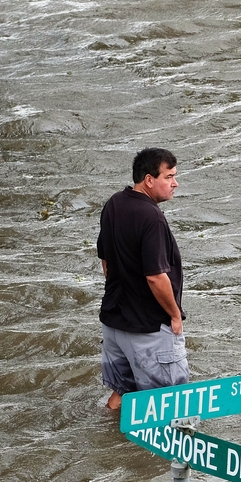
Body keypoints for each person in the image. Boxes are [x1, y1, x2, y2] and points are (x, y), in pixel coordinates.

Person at [97, 147, 188, 411]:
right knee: (171, 406)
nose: (175, 183)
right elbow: (156, 277)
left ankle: (107, 444)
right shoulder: (152, 218)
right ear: (149, 180)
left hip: (115, 324)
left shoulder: (114, 203)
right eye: (168, 177)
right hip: (148, 329)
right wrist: (174, 315)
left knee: (123, 393)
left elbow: (106, 261)